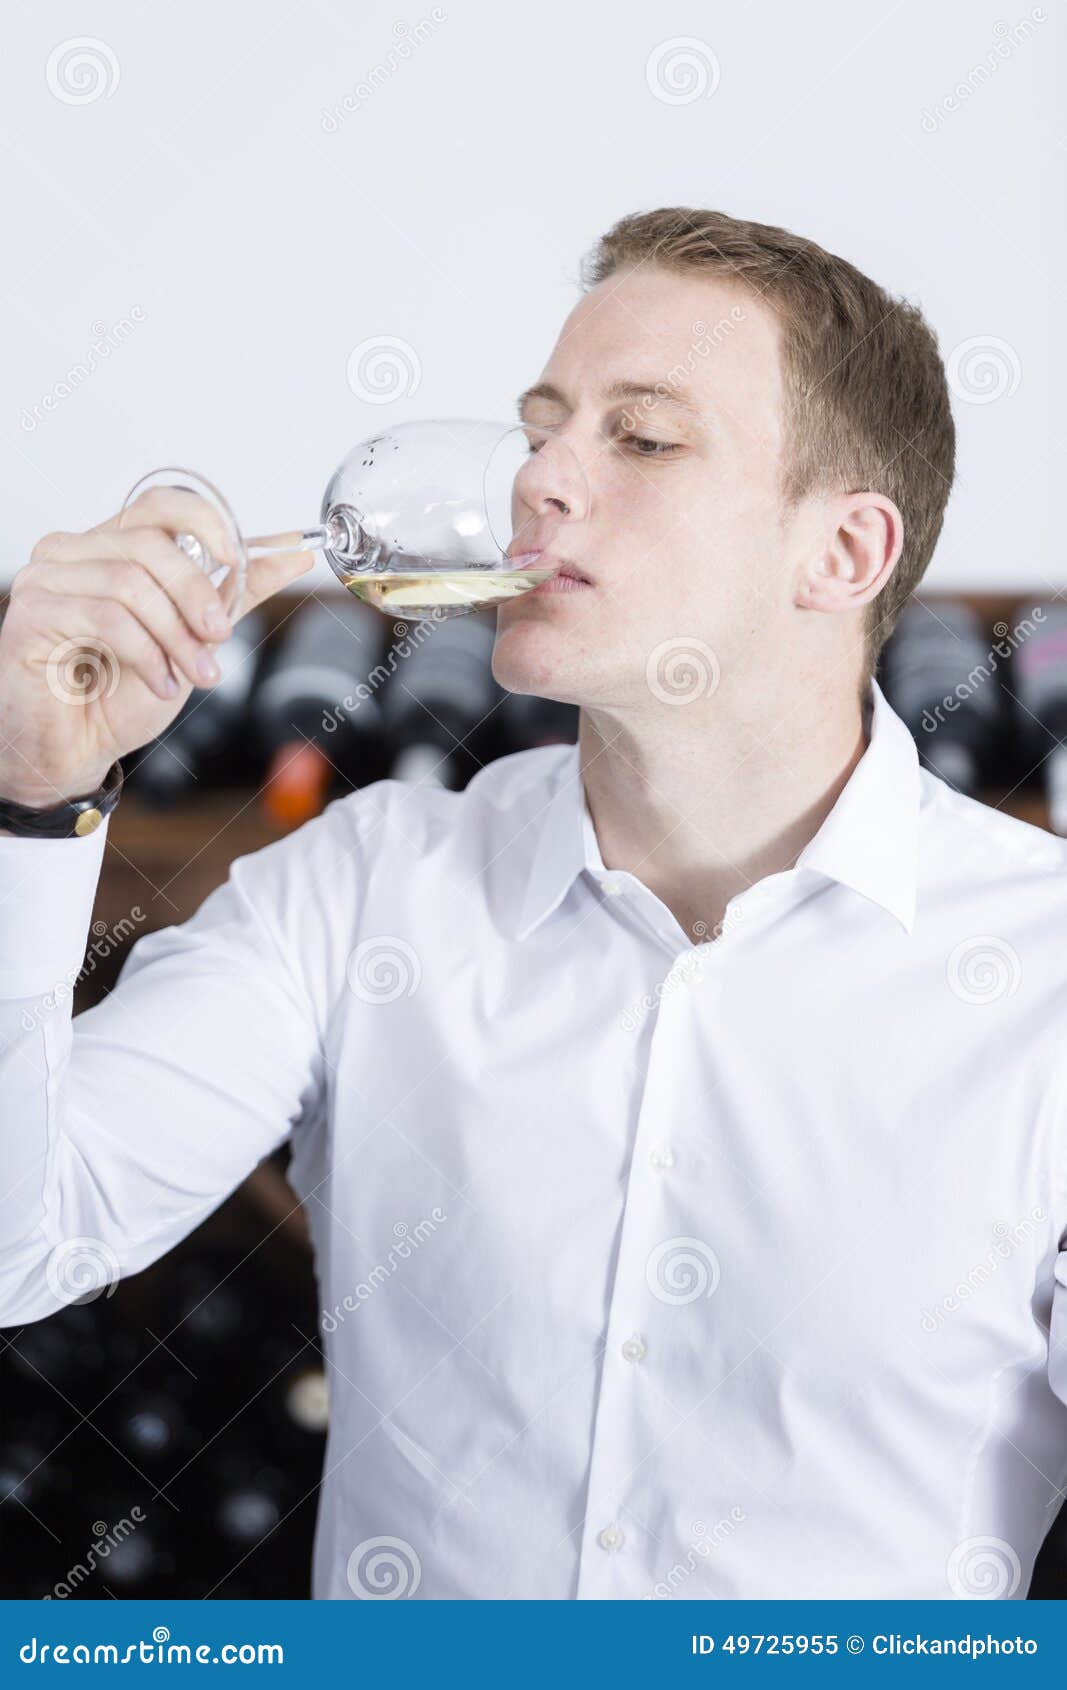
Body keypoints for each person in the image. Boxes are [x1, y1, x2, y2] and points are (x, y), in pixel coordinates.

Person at [1, 206, 1064, 1602]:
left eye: (643, 438)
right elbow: (24, 1241)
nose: (541, 479)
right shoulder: (361, 887)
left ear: (845, 554)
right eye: (541, 427)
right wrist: (34, 800)